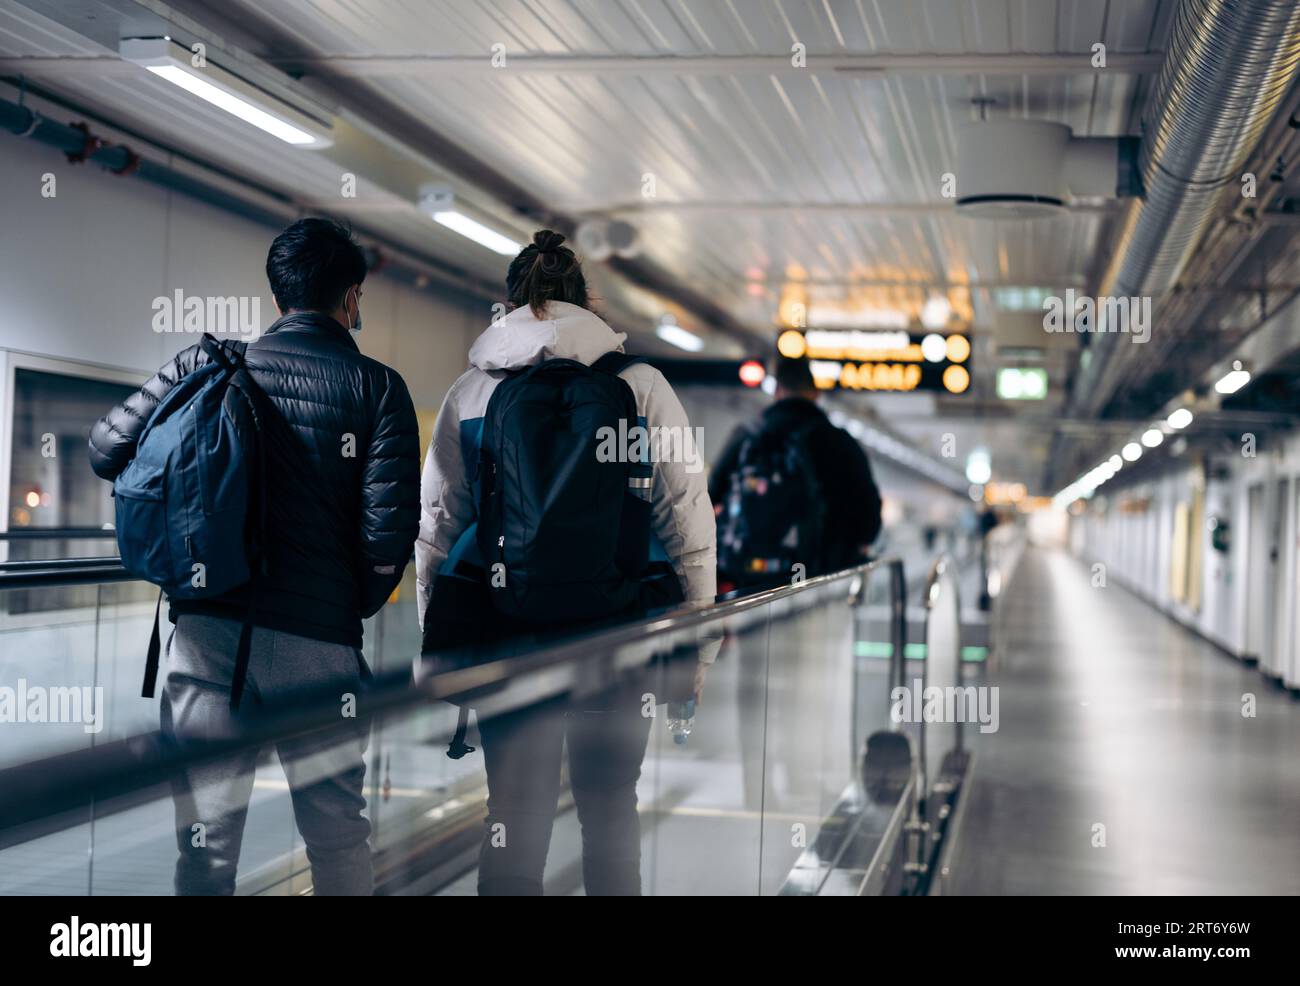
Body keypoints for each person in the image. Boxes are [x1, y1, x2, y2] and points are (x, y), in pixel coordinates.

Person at [88, 217, 421, 895]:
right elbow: (389, 537)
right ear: (351, 299)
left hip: (207, 637)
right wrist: (336, 605)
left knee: (207, 849)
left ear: (276, 299)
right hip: (320, 650)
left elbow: (104, 450)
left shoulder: (204, 365)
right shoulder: (378, 389)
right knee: (336, 835)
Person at [415, 229, 716, 895]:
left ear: (510, 305)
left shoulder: (473, 392)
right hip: (620, 635)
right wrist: (698, 644)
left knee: (514, 814)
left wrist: (438, 642)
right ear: (586, 304)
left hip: (508, 631)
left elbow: (438, 525)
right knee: (611, 808)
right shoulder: (641, 386)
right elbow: (688, 518)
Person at [710, 356, 882, 591]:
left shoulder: (746, 435)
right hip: (816, 580)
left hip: (746, 581)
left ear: (777, 391)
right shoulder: (839, 442)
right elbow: (868, 515)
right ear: (816, 393)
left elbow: (710, 498)